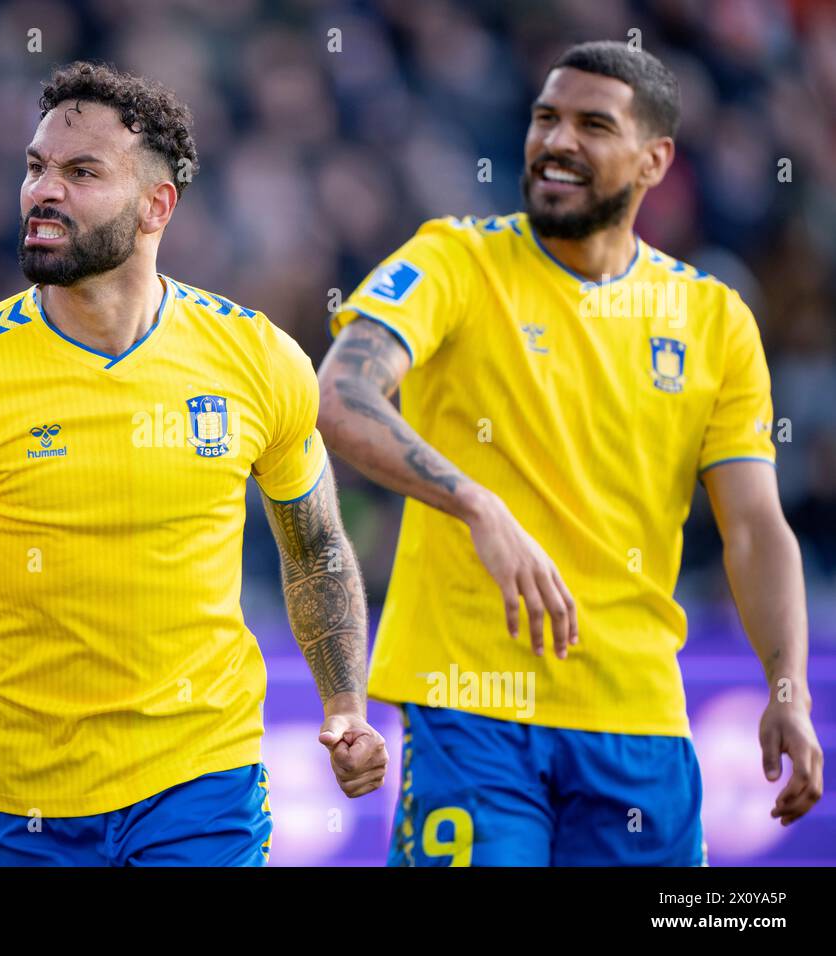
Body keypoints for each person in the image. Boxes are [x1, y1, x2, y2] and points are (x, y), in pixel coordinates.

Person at [0, 61, 387, 866]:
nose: (44, 191)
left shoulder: (256, 359)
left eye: (82, 173)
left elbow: (315, 546)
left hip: (203, 781)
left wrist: (345, 704)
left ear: (158, 205)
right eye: (35, 167)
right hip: (27, 807)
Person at [317, 41, 822, 866]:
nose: (558, 141)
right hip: (471, 706)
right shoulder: (457, 259)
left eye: (594, 125)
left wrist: (787, 689)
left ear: (655, 160)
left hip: (637, 725)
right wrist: (476, 503)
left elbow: (756, 529)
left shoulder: (715, 320)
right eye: (546, 118)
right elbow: (340, 396)